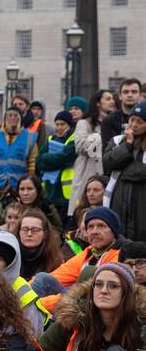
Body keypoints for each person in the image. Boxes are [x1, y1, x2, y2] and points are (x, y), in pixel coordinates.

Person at [103, 100, 146, 242]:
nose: (134, 125)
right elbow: (107, 163)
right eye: (132, 120)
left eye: (139, 121)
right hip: (119, 202)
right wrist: (127, 145)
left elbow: (142, 172)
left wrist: (121, 169)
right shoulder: (117, 141)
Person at [69, 93, 106, 221]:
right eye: (108, 98)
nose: (112, 101)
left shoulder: (114, 122)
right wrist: (99, 137)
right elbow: (79, 145)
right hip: (88, 174)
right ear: (98, 103)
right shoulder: (84, 123)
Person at [36, 110, 77, 220]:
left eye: (62, 124)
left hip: (65, 196)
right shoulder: (50, 139)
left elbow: (65, 158)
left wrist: (46, 158)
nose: (59, 127)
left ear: (69, 125)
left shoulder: (74, 139)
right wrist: (52, 160)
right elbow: (39, 162)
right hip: (50, 192)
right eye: (57, 124)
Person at [17, 209, 66, 281]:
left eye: (35, 230)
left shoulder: (56, 261)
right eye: (25, 229)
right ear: (19, 232)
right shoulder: (9, 257)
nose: (29, 234)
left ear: (45, 233)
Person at [100, 77, 141, 151]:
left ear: (140, 95)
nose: (129, 95)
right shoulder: (109, 121)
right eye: (126, 92)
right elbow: (108, 155)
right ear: (119, 96)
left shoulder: (144, 118)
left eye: (134, 92)